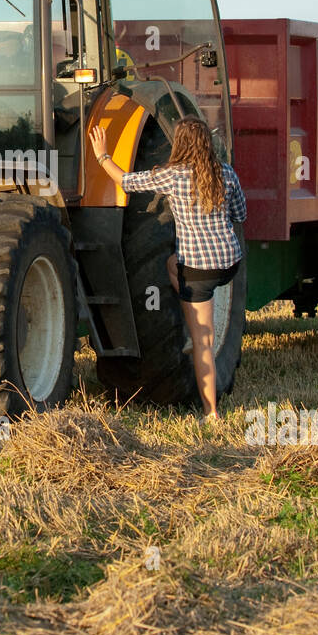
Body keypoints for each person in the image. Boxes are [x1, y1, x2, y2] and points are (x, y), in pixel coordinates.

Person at [88, 115, 247, 422]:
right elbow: (240, 214)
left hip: (198, 272)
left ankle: (211, 412)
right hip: (229, 263)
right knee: (172, 263)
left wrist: (102, 155)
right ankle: (192, 304)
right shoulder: (227, 174)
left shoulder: (173, 176)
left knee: (203, 342)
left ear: (181, 144)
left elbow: (125, 181)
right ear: (208, 144)